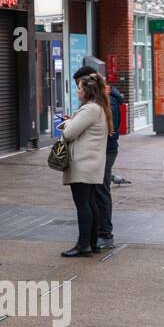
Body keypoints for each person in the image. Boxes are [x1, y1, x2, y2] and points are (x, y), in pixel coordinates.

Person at [58, 72, 111, 257]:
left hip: (83, 163)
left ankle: (83, 245)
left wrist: (68, 123)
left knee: (83, 205)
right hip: (92, 163)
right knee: (90, 203)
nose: (77, 91)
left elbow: (69, 134)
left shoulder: (90, 109)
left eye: (79, 88)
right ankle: (93, 243)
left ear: (87, 90)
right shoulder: (100, 107)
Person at [73, 65, 123, 249]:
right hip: (99, 150)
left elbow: (109, 130)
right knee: (94, 191)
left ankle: (105, 234)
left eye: (79, 85)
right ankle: (95, 234)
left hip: (105, 151)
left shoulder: (107, 101)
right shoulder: (97, 101)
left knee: (100, 190)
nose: (78, 90)